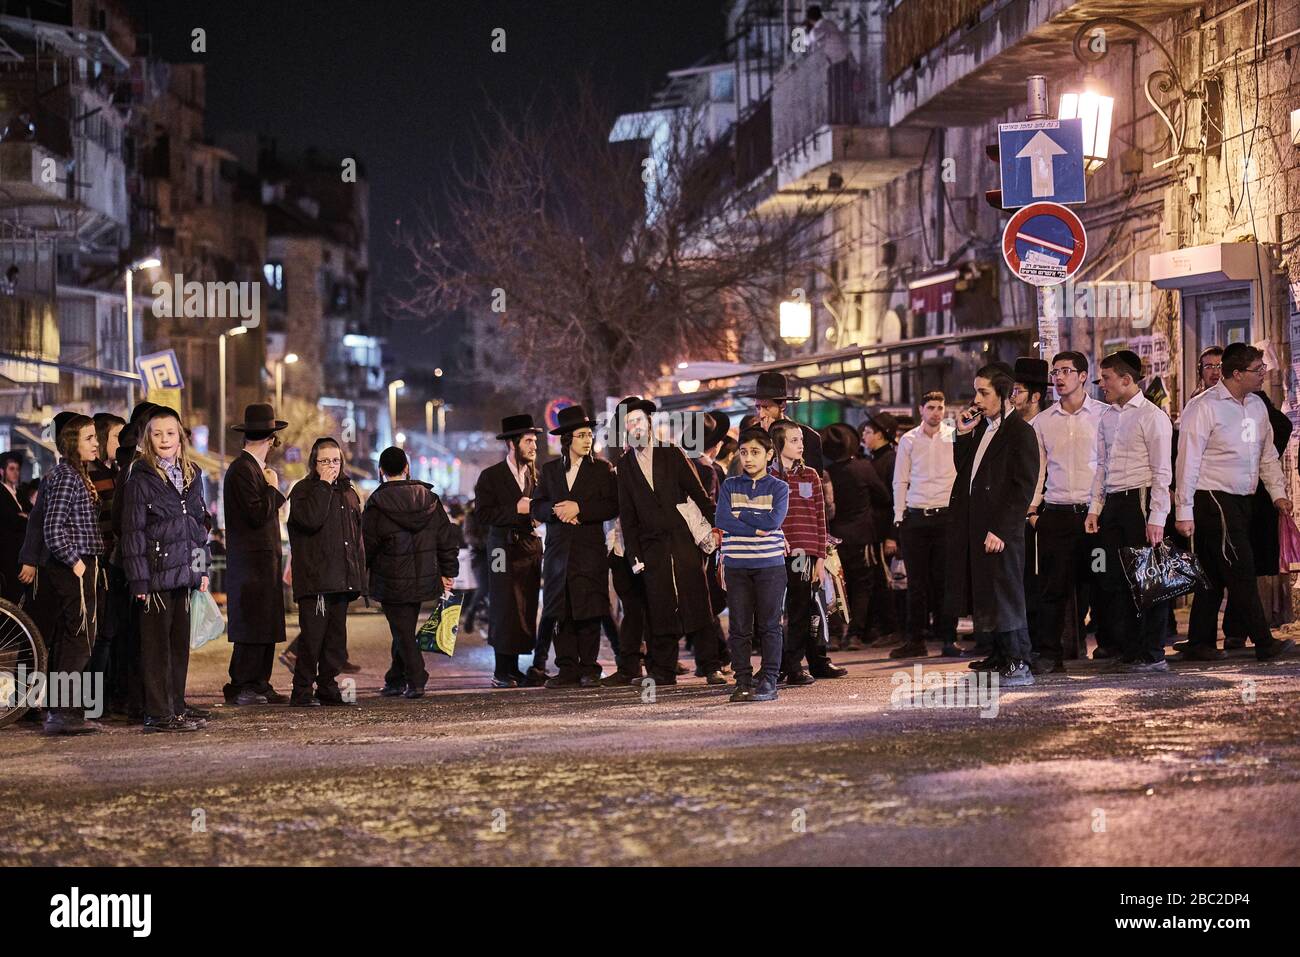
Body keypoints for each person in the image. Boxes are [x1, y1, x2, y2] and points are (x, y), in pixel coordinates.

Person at [1174, 343, 1295, 663]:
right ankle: (1264, 641)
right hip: (1212, 496)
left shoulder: (1256, 406)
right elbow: (1187, 461)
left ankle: (1200, 642)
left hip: (1245, 498)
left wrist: (1278, 493)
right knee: (1241, 569)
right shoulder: (1204, 407)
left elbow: (1266, 454)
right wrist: (1183, 510)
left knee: (1213, 572)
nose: (1262, 375)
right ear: (1237, 373)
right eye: (1257, 370)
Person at [615, 395, 719, 686]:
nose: (634, 427)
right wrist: (634, 554)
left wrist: (716, 526)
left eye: (638, 421)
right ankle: (662, 670)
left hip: (682, 539)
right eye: (628, 424)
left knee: (696, 599)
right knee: (659, 606)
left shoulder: (671, 453)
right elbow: (627, 515)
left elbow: (699, 493)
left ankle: (711, 665)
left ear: (648, 424)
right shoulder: (624, 466)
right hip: (651, 546)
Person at [947, 363, 1040, 686]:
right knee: (986, 592)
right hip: (978, 524)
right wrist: (961, 434)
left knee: (1006, 593)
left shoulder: (1020, 432)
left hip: (1001, 529)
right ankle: (1000, 654)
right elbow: (966, 471)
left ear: (1004, 395)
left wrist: (1001, 528)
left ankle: (1018, 660)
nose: (977, 398)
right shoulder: (985, 428)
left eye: (984, 392)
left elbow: (1022, 486)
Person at [120, 407, 211, 733]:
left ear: (180, 437)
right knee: (156, 651)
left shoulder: (192, 474)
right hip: (155, 580)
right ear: (148, 438)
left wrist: (202, 571)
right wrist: (140, 581)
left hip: (184, 577)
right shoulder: (140, 478)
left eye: (170, 433)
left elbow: (199, 528)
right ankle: (158, 714)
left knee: (177, 650)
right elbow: (132, 534)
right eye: (157, 434)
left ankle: (176, 709)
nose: (164, 439)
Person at [1085, 351, 1174, 672]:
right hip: (1114, 503)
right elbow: (1101, 465)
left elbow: (1163, 471)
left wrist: (1157, 517)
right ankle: (1131, 647)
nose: (1101, 384)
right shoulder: (1107, 417)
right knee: (1116, 579)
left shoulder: (1152, 416)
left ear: (1126, 379)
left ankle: (1153, 652)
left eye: (1106, 378)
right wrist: (1095, 507)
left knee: (1149, 579)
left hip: (1141, 498)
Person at [1029, 351, 1108, 673]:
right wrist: (1033, 511)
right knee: (1053, 588)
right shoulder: (1043, 422)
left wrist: (1102, 508)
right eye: (1055, 372)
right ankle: (1050, 654)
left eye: (1065, 371)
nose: (1058, 378)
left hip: (1095, 516)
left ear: (1082, 376)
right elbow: (1037, 470)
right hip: (1057, 515)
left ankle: (1111, 645)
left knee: (1103, 580)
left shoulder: (1104, 415)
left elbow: (1108, 464)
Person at [531, 405, 619, 688]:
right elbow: (536, 505)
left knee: (590, 608)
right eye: (581, 435)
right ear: (567, 439)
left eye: (589, 435)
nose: (587, 440)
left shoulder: (602, 469)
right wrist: (555, 511)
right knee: (560, 610)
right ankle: (566, 667)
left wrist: (580, 508)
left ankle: (589, 667)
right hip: (558, 551)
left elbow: (612, 505)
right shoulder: (550, 470)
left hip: (589, 549)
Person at [364, 447, 458, 699]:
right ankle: (395, 679)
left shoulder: (376, 504)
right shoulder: (430, 499)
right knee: (403, 628)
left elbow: (367, 545)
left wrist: (360, 575)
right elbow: (445, 538)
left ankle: (417, 677)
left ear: (381, 470)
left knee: (402, 630)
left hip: (390, 578)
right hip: (424, 576)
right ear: (406, 467)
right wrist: (448, 570)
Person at [286, 437, 367, 706]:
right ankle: (301, 690)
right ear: (314, 463)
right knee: (312, 638)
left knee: (335, 640)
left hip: (341, 579)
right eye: (325, 461)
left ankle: (328, 686)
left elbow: (356, 536)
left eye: (335, 460)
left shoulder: (348, 492)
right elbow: (310, 521)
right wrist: (322, 485)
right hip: (316, 580)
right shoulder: (303, 490)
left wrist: (358, 575)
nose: (331, 466)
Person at [40, 414, 106, 734]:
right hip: (74, 567)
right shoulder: (67, 475)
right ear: (72, 443)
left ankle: (67, 711)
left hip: (81, 564)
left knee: (75, 639)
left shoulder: (76, 473)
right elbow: (53, 529)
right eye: (90, 438)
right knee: (78, 639)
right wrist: (76, 562)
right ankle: (63, 714)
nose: (97, 443)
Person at [223, 403, 290, 705]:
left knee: (264, 625)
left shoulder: (251, 469)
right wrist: (274, 489)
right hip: (251, 565)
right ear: (271, 439)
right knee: (252, 625)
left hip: (262, 563)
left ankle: (259, 682)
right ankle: (242, 684)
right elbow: (256, 513)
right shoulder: (242, 470)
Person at [716, 427, 790, 702]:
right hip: (737, 565)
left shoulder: (779, 487)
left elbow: (774, 522)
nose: (748, 458)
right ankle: (742, 681)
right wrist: (753, 525)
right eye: (744, 452)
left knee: (770, 625)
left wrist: (741, 515)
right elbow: (722, 520)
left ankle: (769, 680)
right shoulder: (729, 485)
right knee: (739, 627)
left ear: (769, 454)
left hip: (770, 565)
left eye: (755, 452)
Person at [770, 419, 845, 682]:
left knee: (801, 608)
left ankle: (793, 665)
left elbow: (820, 518)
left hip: (804, 554)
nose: (800, 445)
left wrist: (820, 557)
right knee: (773, 612)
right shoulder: (768, 477)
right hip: (774, 553)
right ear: (778, 444)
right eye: (794, 440)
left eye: (801, 439)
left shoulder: (811, 475)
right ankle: (776, 666)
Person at [474, 414, 545, 688]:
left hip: (528, 546)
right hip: (500, 548)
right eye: (528, 441)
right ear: (512, 444)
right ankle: (502, 670)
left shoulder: (535, 476)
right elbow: (482, 514)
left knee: (525, 605)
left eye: (535, 441)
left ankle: (516, 668)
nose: (533, 446)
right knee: (504, 606)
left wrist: (537, 515)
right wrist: (516, 509)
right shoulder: (490, 476)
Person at [890, 392, 960, 659]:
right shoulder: (908, 440)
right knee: (916, 583)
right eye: (931, 407)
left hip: (946, 516)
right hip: (916, 515)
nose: (936, 412)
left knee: (945, 582)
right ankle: (915, 640)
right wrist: (899, 515)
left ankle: (948, 639)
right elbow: (900, 480)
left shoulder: (953, 435)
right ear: (921, 409)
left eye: (940, 407)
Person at [821, 422, 891, 649]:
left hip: (833, 537)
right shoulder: (863, 468)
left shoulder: (824, 473)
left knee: (836, 586)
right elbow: (884, 496)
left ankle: (833, 634)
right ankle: (854, 634)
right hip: (861, 537)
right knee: (862, 586)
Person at [861, 410, 902, 643]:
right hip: (874, 530)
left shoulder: (892, 460)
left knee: (887, 582)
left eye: (868, 432)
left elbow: (895, 500)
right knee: (877, 580)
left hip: (886, 529)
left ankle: (892, 628)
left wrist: (891, 536)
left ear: (880, 434)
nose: (864, 436)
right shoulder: (874, 459)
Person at [751, 371, 824, 472]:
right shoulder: (751, 436)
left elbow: (813, 480)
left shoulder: (808, 437)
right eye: (758, 407)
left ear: (782, 405)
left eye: (766, 407)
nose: (761, 414)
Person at [0, 449, 27, 602]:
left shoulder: (20, 492)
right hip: (8, 554)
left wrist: (26, 517)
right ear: (2, 471)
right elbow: (11, 519)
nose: (15, 473)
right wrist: (25, 518)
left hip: (21, 552)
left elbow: (33, 514)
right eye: (11, 469)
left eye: (17, 469)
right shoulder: (1, 492)